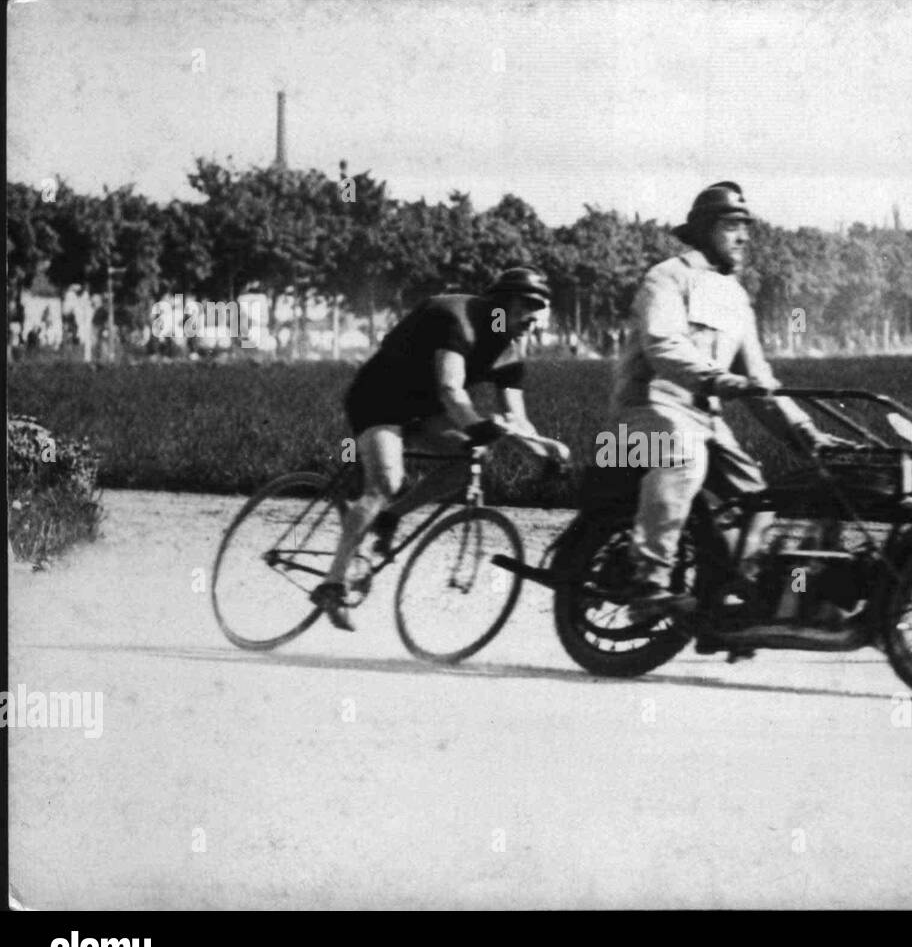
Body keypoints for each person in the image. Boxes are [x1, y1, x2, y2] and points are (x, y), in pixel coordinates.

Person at [610, 181, 835, 617]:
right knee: (684, 456)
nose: (744, 236)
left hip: (704, 420)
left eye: (745, 227)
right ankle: (647, 582)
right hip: (642, 413)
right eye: (732, 225)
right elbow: (663, 345)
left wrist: (808, 434)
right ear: (705, 229)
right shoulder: (667, 276)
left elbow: (759, 380)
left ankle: (734, 595)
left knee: (759, 497)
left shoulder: (735, 298)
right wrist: (717, 380)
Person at [311, 267, 571, 631]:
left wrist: (543, 453)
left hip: (426, 410)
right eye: (528, 305)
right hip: (379, 399)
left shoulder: (508, 349)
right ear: (502, 303)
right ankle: (332, 583)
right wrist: (478, 425)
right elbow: (451, 389)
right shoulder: (457, 320)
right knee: (385, 481)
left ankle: (391, 517)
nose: (535, 316)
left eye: (540, 307)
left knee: (470, 460)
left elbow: (518, 419)